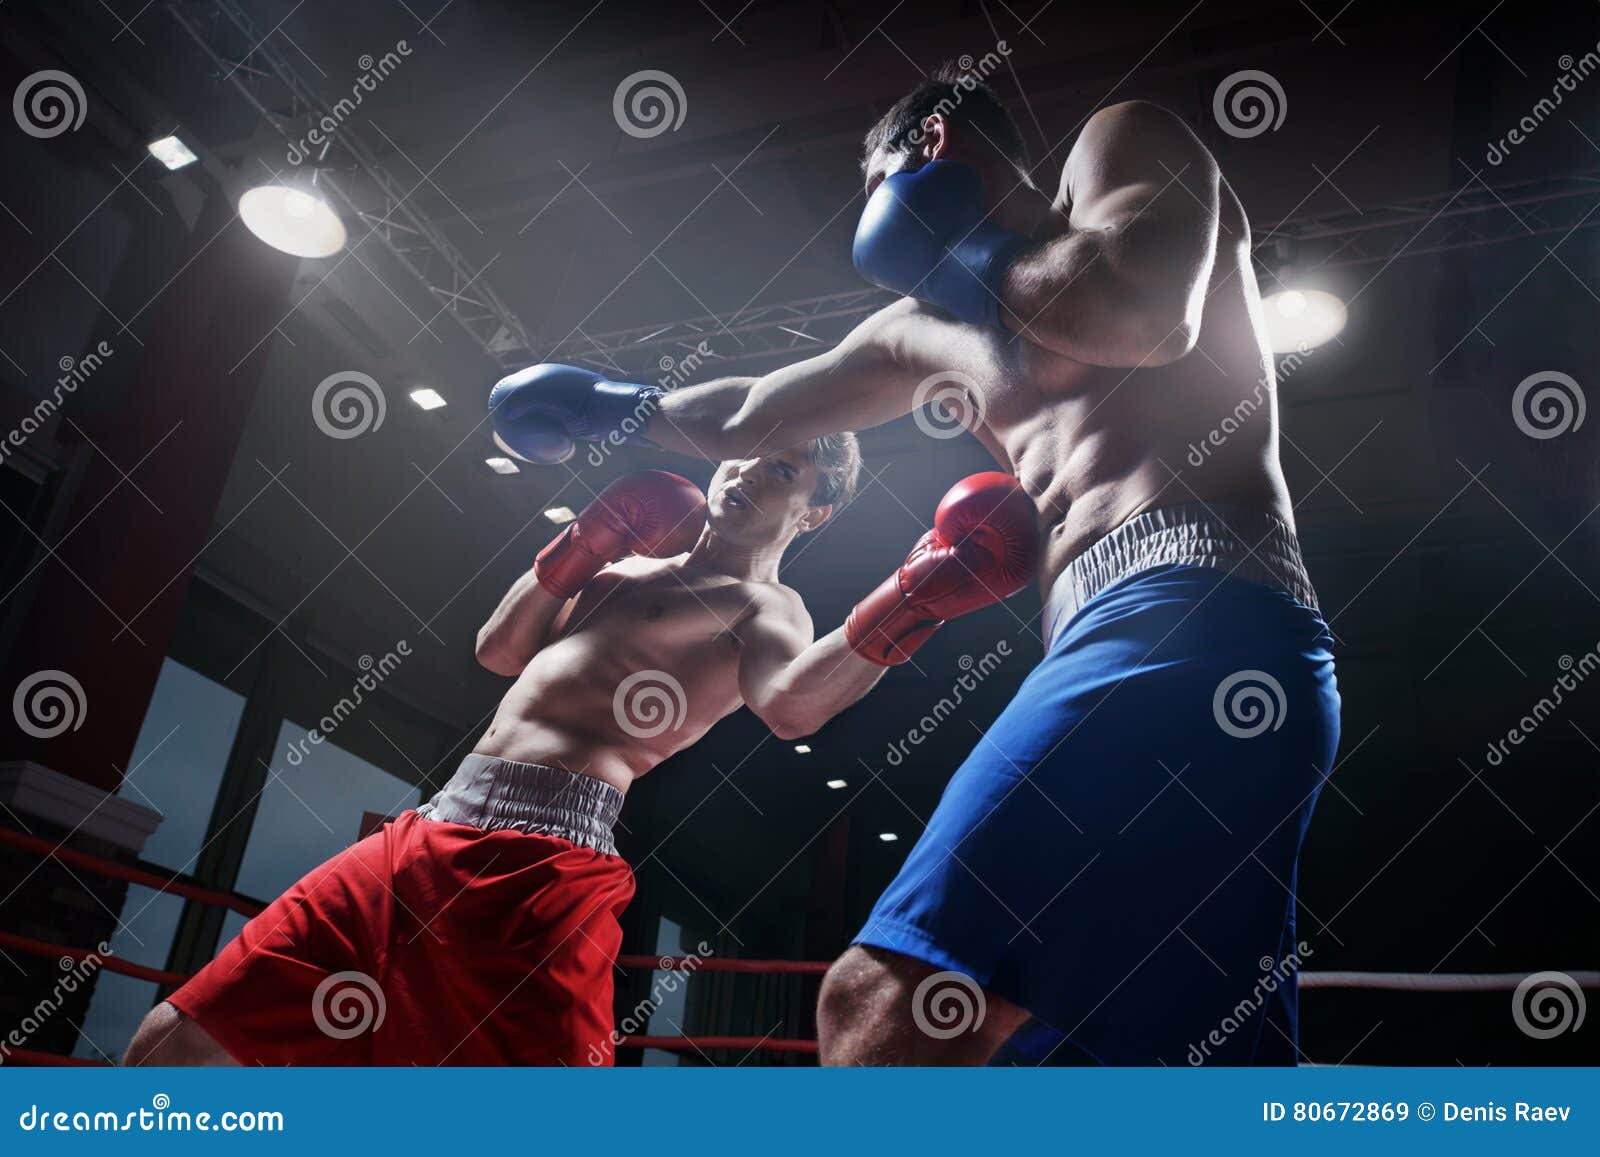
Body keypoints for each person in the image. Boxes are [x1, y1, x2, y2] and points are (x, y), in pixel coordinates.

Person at [487, 65, 1341, 1065]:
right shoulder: (919, 330)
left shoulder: (1122, 142)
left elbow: (1144, 318)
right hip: (1144, 645)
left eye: (877, 190)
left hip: (1191, 611)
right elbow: (753, 414)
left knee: (884, 1007)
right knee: (1141, 1059)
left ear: (930, 148)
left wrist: (965, 246)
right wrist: (606, 403)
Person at [123, 437, 1037, 1066]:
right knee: (175, 1042)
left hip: (543, 871)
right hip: (422, 838)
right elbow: (499, 650)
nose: (748, 473)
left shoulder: (768, 613)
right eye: (747, 452)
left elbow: (793, 708)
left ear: (819, 508)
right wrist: (577, 544)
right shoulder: (626, 565)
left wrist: (913, 598)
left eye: (784, 468)